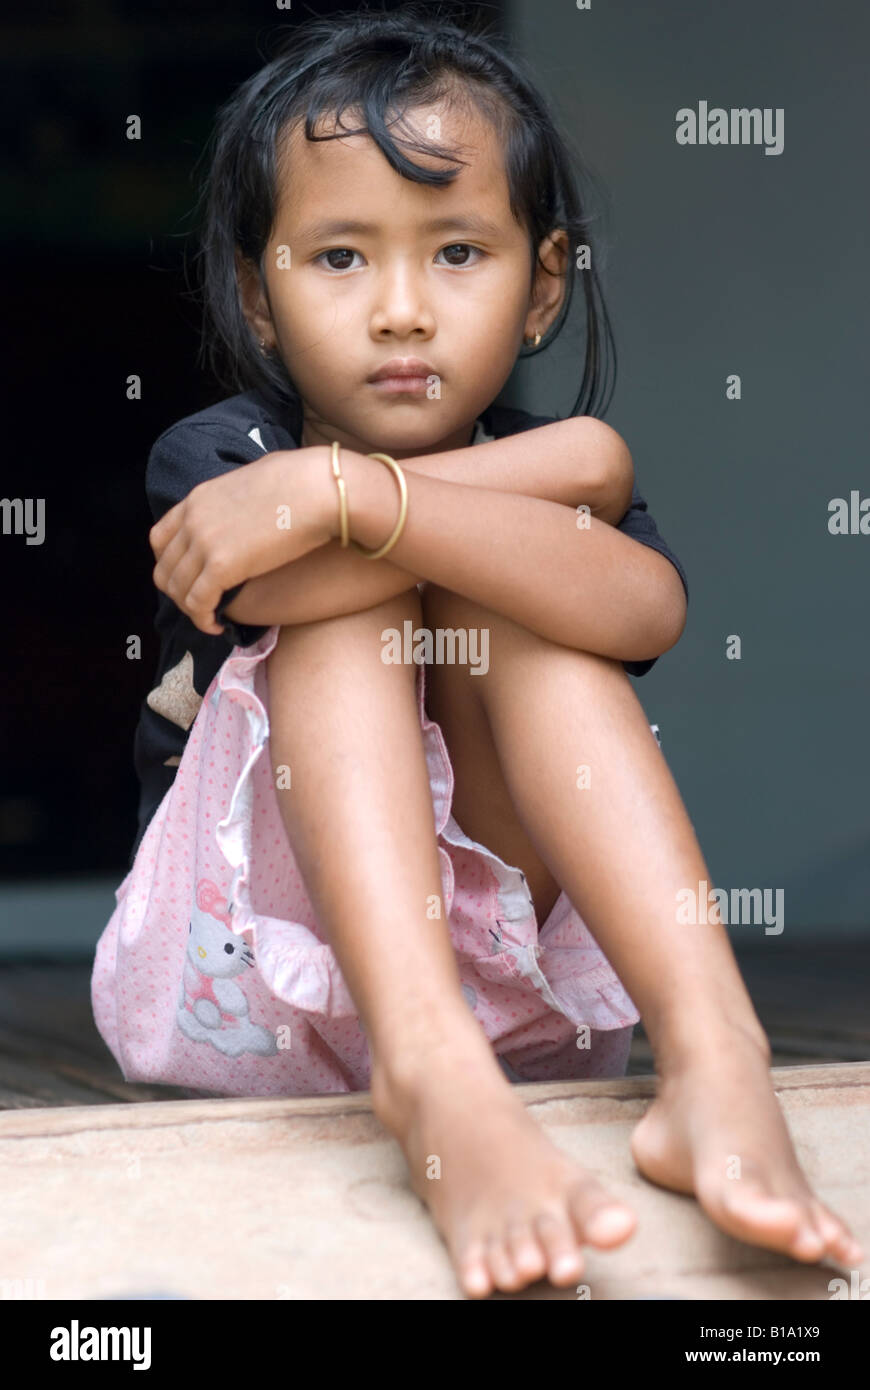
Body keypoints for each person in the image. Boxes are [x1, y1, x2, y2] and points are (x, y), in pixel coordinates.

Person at [91, 7, 863, 1297]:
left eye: (458, 251)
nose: (401, 312)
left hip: (525, 1018)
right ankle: (426, 1070)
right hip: (234, 1000)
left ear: (543, 282)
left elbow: (643, 613)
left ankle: (713, 1051)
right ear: (254, 293)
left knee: (518, 585)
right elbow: (283, 580)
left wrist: (362, 496)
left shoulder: (480, 480)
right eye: (339, 258)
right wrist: (578, 465)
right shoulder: (225, 459)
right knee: (363, 601)